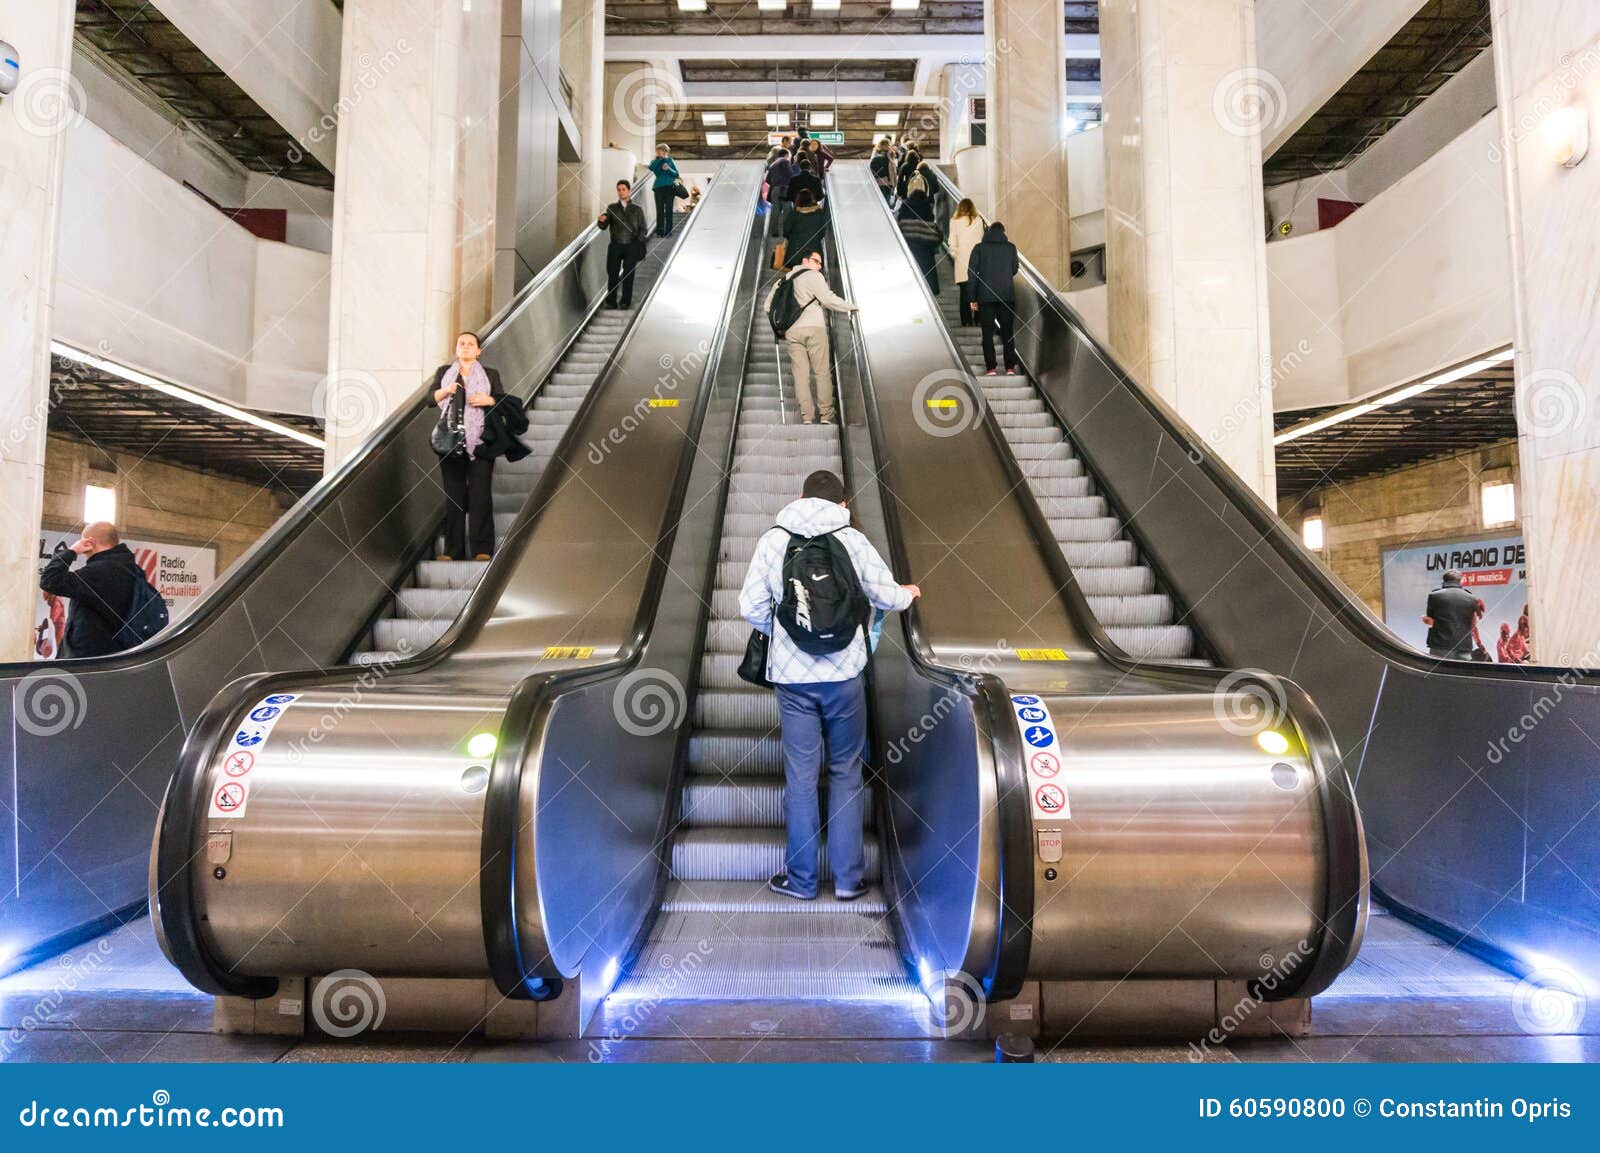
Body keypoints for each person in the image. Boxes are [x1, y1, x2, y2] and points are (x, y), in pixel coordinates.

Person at [738, 469, 921, 902]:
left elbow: (750, 607)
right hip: (843, 676)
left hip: (793, 681)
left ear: (798, 497)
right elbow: (886, 596)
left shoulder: (773, 540)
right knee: (845, 771)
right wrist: (909, 593)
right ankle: (848, 880)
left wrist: (787, 633)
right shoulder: (852, 539)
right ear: (843, 505)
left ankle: (801, 881)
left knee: (800, 777)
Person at [431, 332, 505, 561]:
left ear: (478, 351)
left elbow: (503, 402)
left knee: (480, 494)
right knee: (454, 495)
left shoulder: (490, 374)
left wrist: (489, 400)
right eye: (461, 343)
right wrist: (447, 390)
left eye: (470, 344)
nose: (465, 347)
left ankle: (482, 549)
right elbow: (430, 398)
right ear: (456, 349)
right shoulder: (445, 373)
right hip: (450, 442)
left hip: (481, 442)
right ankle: (452, 551)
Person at [764, 249, 858, 425]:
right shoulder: (813, 276)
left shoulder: (782, 280)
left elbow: (767, 306)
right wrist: (851, 307)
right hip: (815, 328)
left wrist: (781, 328)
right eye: (817, 261)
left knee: (800, 376)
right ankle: (826, 416)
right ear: (805, 261)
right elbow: (828, 299)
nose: (820, 266)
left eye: (821, 263)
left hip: (792, 332)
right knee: (821, 372)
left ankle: (807, 417)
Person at [39, 522, 148, 659]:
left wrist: (72, 551)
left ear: (90, 541)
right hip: (119, 657)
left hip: (89, 663)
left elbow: (50, 580)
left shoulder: (98, 573)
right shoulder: (134, 571)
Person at [968, 220, 1021, 375]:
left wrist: (972, 298)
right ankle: (1010, 367)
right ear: (1003, 232)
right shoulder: (1010, 248)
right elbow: (1014, 268)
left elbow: (971, 274)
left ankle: (991, 368)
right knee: (1007, 332)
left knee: (987, 333)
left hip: (985, 297)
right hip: (1006, 296)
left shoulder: (979, 248)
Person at [598, 179, 648, 310]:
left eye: (623, 189)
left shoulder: (637, 210)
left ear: (629, 191)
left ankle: (625, 301)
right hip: (615, 246)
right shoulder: (612, 208)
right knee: (613, 274)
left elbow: (643, 228)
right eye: (618, 190)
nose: (621, 192)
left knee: (628, 274)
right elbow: (604, 226)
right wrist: (601, 221)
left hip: (631, 246)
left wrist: (639, 242)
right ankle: (611, 301)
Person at [1421, 570, 1479, 659]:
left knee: (1438, 671)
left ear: (1444, 580)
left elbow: (1431, 621)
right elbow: (1473, 624)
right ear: (1460, 580)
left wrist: (1425, 620)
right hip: (1464, 646)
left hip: (1440, 645)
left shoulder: (1434, 596)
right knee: (1461, 672)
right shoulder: (1472, 598)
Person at [947, 198, 986, 327]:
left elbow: (952, 242)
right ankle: (978, 319)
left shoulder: (954, 221)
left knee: (964, 294)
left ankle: (966, 320)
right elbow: (981, 241)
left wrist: (955, 254)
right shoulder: (979, 220)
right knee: (977, 293)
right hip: (978, 262)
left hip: (962, 262)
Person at [897, 186, 942, 295]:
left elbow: (898, 227)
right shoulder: (926, 208)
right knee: (927, 281)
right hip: (926, 254)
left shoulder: (905, 209)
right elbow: (938, 238)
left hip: (908, 251)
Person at [782, 188, 828, 267]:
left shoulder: (794, 214)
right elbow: (823, 232)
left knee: (796, 276)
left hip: (795, 251)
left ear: (798, 199)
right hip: (815, 252)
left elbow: (786, 230)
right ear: (811, 199)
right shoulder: (819, 213)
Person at [647, 144, 681, 237]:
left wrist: (668, 169)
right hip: (658, 188)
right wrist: (659, 159)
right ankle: (660, 231)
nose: (658, 152)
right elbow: (651, 168)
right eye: (657, 150)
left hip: (670, 188)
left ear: (665, 151)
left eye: (660, 150)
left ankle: (668, 231)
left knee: (669, 210)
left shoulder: (670, 161)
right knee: (660, 210)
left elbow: (676, 174)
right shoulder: (655, 161)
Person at [765, 147, 796, 224]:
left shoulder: (772, 165)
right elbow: (791, 175)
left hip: (775, 190)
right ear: (786, 155)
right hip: (785, 189)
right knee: (787, 209)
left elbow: (767, 180)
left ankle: (774, 231)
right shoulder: (785, 161)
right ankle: (785, 230)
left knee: (775, 210)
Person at [869, 138, 894, 203]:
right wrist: (892, 183)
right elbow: (892, 171)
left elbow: (871, 168)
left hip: (877, 181)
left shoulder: (875, 154)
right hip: (886, 182)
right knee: (886, 201)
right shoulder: (889, 156)